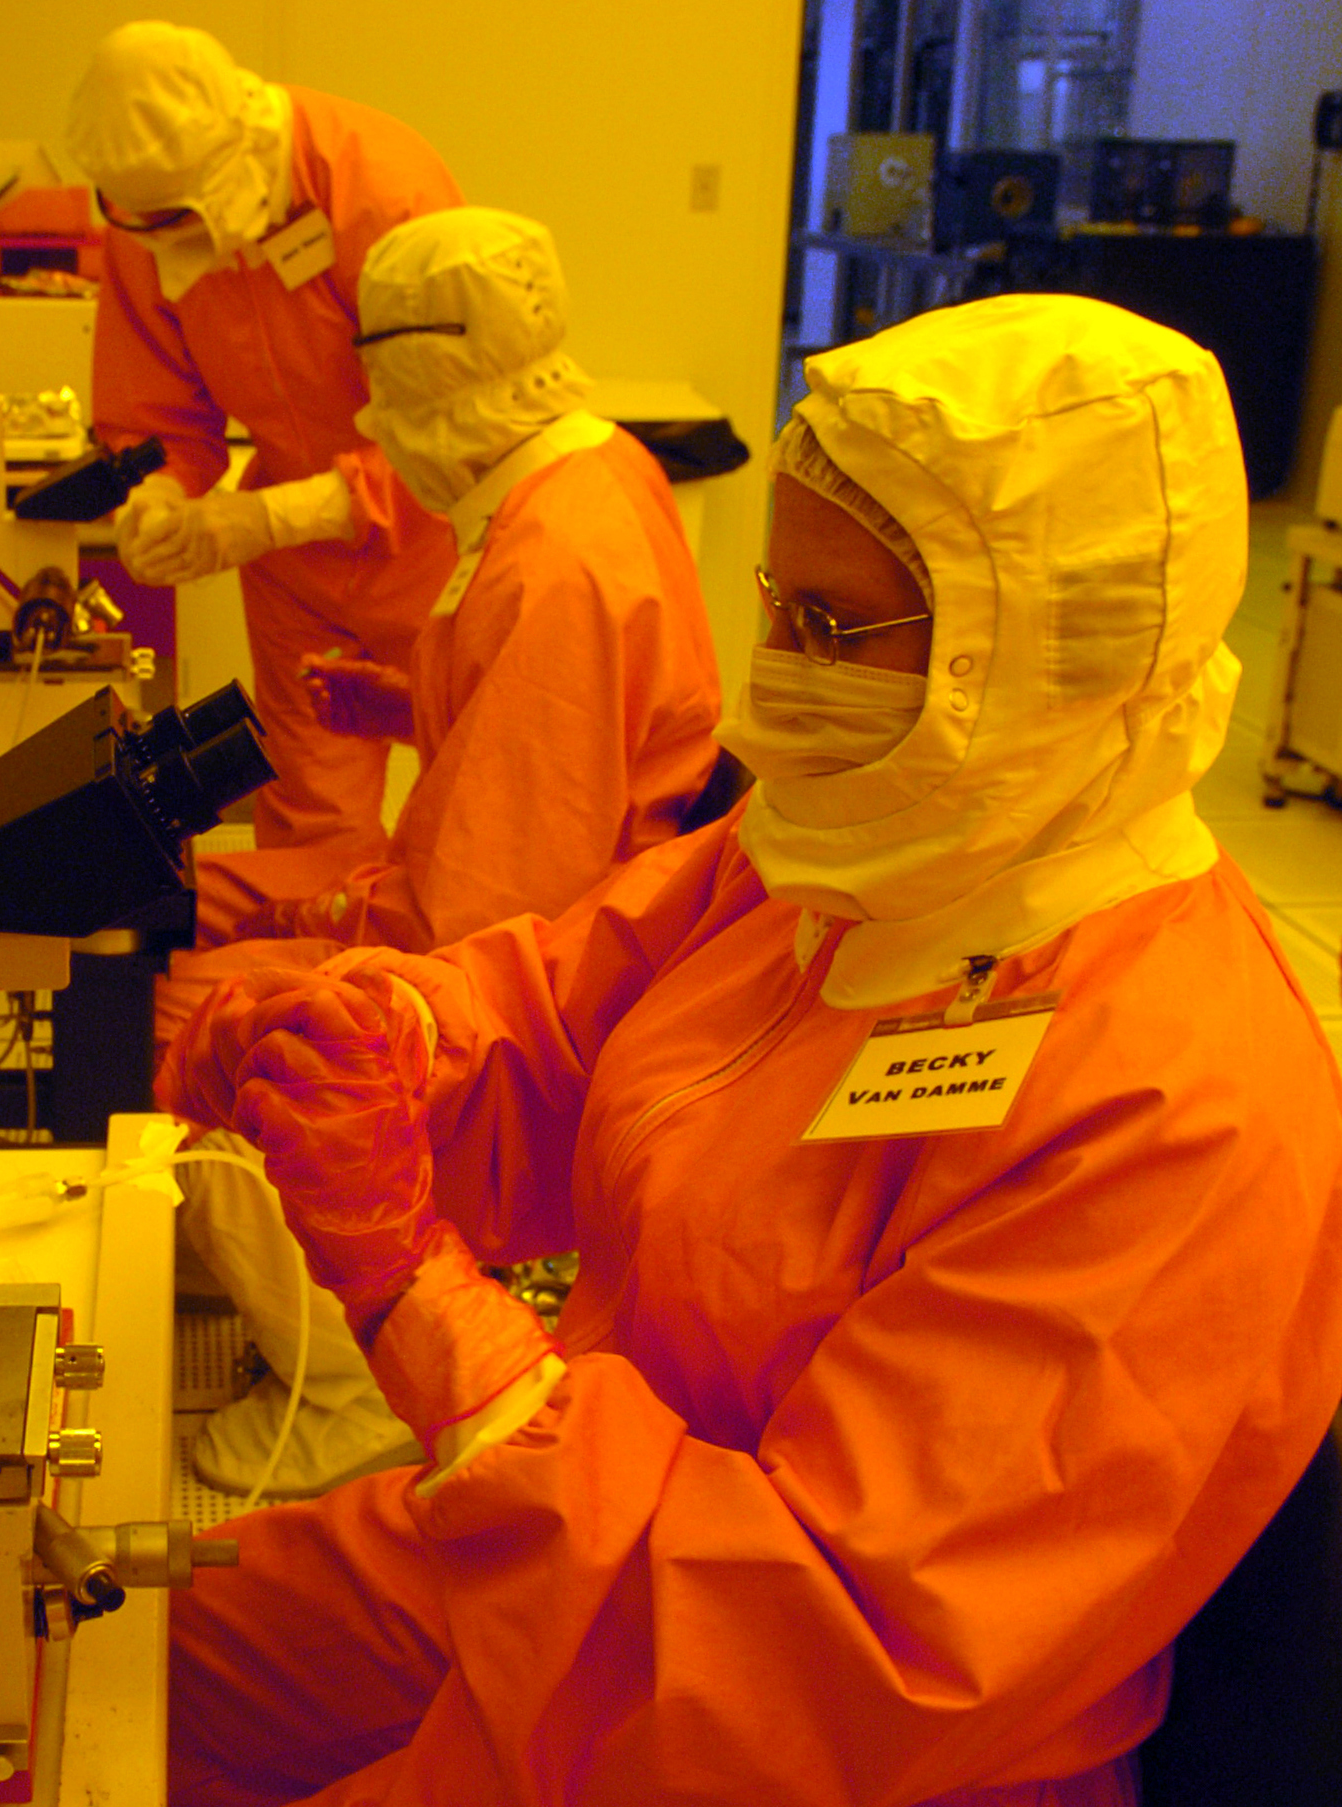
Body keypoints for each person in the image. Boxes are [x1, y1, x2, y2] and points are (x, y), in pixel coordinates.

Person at [156, 293, 1342, 1806]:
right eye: (780, 603)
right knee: (102, 1644)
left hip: (777, 1708)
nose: (774, 680)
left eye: (834, 632)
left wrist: (422, 1301)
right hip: (585, 1524)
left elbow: (820, 1654)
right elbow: (561, 996)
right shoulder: (849, 850)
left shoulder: (1177, 1105)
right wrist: (394, 1032)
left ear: (1049, 656)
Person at [159, 207, 726, 1501]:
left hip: (545, 968)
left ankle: (353, 1385)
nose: (370, 432)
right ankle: (273, 1270)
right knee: (201, 898)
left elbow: (486, 914)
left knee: (190, 1013)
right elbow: (569, 725)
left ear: (419, 381)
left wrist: (312, 923)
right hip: (543, 888)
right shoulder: (582, 471)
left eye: (376, 395)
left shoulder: (553, 559)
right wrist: (415, 700)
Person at [67, 21, 461, 877]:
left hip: (437, 545)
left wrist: (266, 518)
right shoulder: (144, 215)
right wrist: (158, 495)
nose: (169, 247)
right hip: (298, 576)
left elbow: (452, 424)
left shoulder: (378, 189)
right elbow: (154, 406)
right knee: (314, 827)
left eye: (182, 225)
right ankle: (320, 968)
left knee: (469, 804)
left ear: (232, 166)